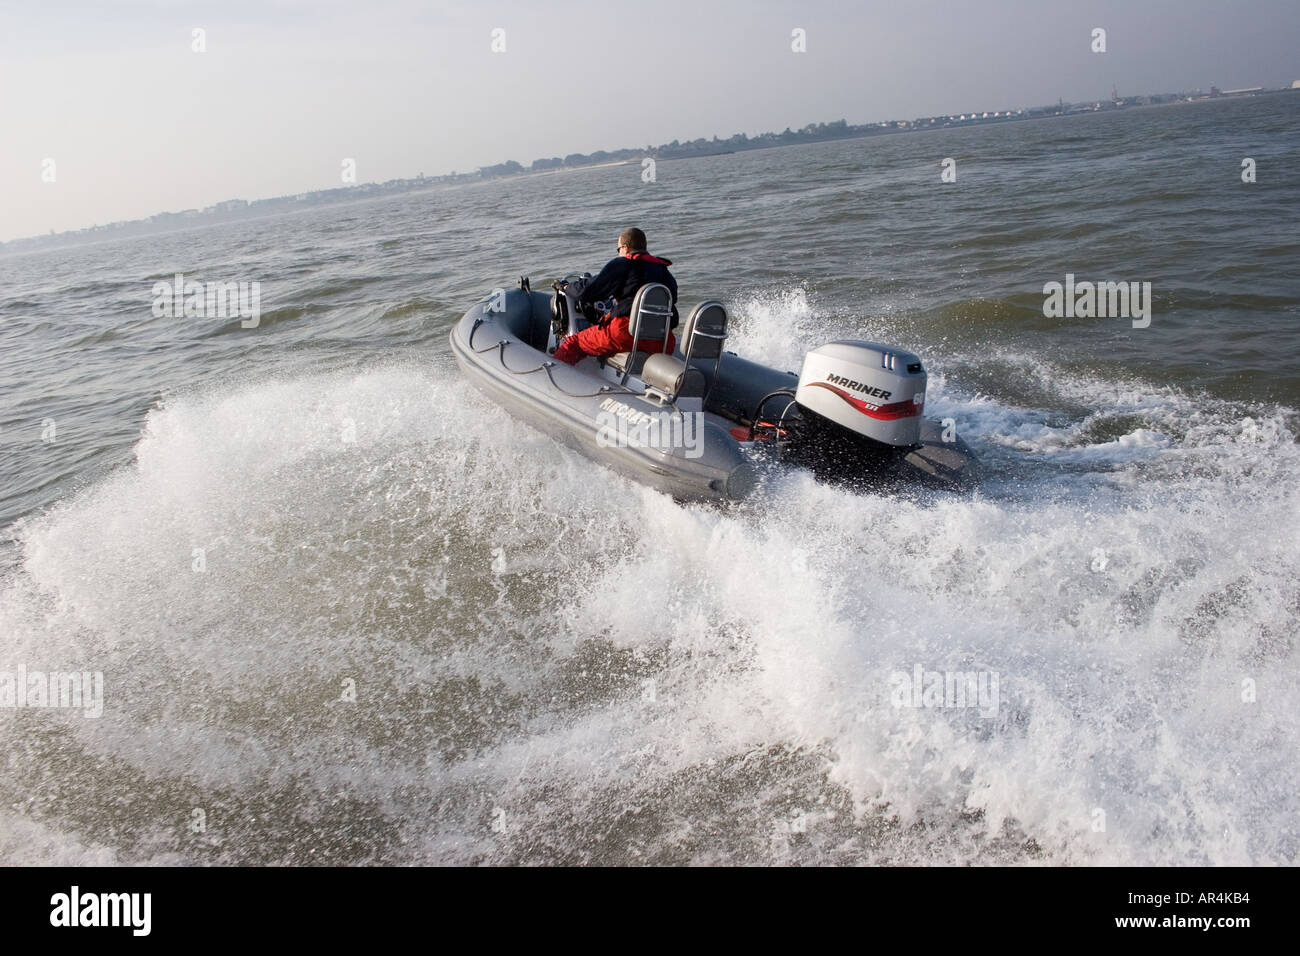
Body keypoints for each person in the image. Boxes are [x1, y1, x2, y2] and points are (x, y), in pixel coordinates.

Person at [552, 228, 678, 365]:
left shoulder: (624, 263)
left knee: (574, 343)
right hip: (663, 339)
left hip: (626, 333)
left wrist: (566, 287)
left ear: (625, 248)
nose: (619, 253)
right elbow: (672, 300)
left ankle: (553, 377)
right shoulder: (663, 270)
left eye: (618, 250)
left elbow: (587, 292)